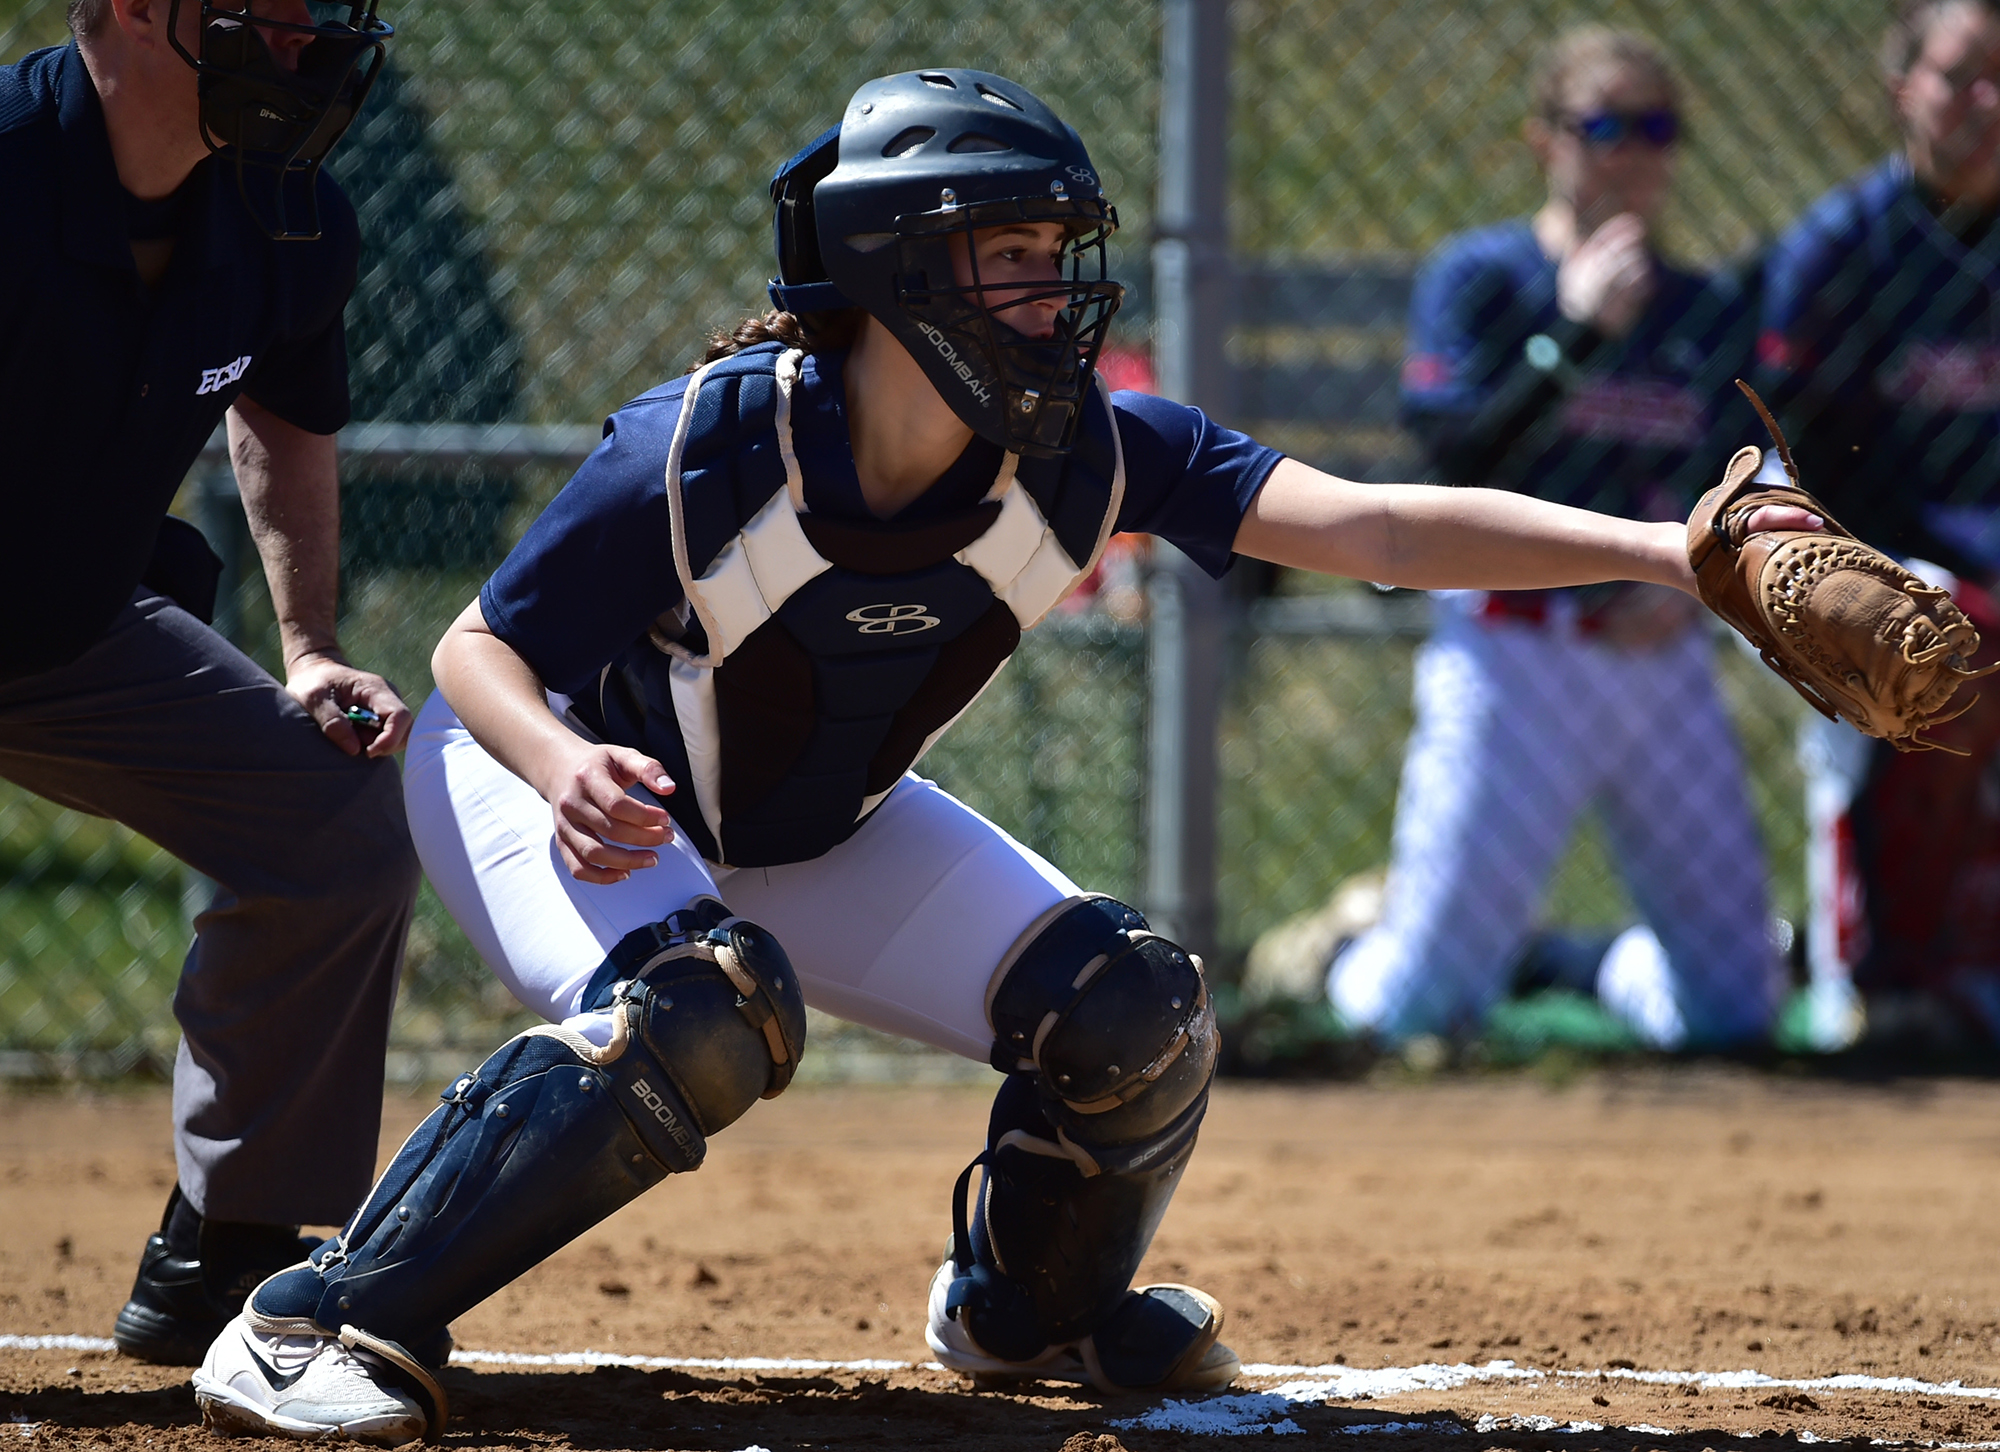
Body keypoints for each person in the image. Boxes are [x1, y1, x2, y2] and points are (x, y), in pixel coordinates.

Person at [187, 68, 1816, 1446]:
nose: (1059, 294)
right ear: (898, 274)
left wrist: (1671, 552)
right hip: (547, 784)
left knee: (1135, 1012)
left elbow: (1375, 521)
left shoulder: (1091, 453)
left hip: (807, 830)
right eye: (1016, 260)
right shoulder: (709, 444)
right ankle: (306, 1319)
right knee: (699, 1009)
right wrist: (557, 770)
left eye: (1059, 255)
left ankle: (1027, 1309)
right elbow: (479, 655)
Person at [0, 0, 416, 1367]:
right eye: (270, 0)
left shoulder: (287, 216)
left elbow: (287, 417)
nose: (308, 32)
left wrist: (308, 646)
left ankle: (231, 1242)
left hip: (66, 631)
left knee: (336, 820)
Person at [1326, 27, 1780, 1052]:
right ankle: (1338, 952)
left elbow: (1745, 486)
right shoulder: (1484, 279)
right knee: (1416, 1013)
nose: (1628, 154)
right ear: (1545, 141)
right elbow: (1450, 462)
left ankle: (1588, 965)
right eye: (1602, 126)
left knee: (1737, 1012)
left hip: (1656, 654)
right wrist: (1569, 336)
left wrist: (1688, 588)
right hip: (1511, 649)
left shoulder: (1703, 311)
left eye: (1654, 130)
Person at [1758, 0, 2000, 1048]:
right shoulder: (1843, 249)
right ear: (1902, 88)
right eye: (1958, 73)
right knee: (1938, 624)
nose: (1982, 100)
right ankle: (1884, 976)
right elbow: (1798, 460)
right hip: (1884, 550)